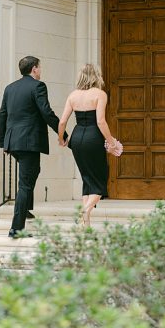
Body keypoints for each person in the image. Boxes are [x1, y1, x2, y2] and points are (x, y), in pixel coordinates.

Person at [0, 56, 65, 238]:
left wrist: (3, 142)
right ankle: (16, 229)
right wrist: (62, 133)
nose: (40, 70)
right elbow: (46, 112)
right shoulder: (38, 86)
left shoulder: (10, 88)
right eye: (40, 67)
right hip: (29, 141)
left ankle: (25, 208)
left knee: (32, 172)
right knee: (26, 184)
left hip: (14, 141)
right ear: (34, 69)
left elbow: (2, 115)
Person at [58, 64, 122, 227]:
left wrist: (61, 139)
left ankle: (85, 224)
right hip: (93, 137)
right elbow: (100, 121)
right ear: (96, 76)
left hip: (77, 137)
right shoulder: (100, 94)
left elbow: (63, 121)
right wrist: (111, 142)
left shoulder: (73, 95)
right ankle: (86, 209)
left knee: (87, 178)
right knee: (100, 180)